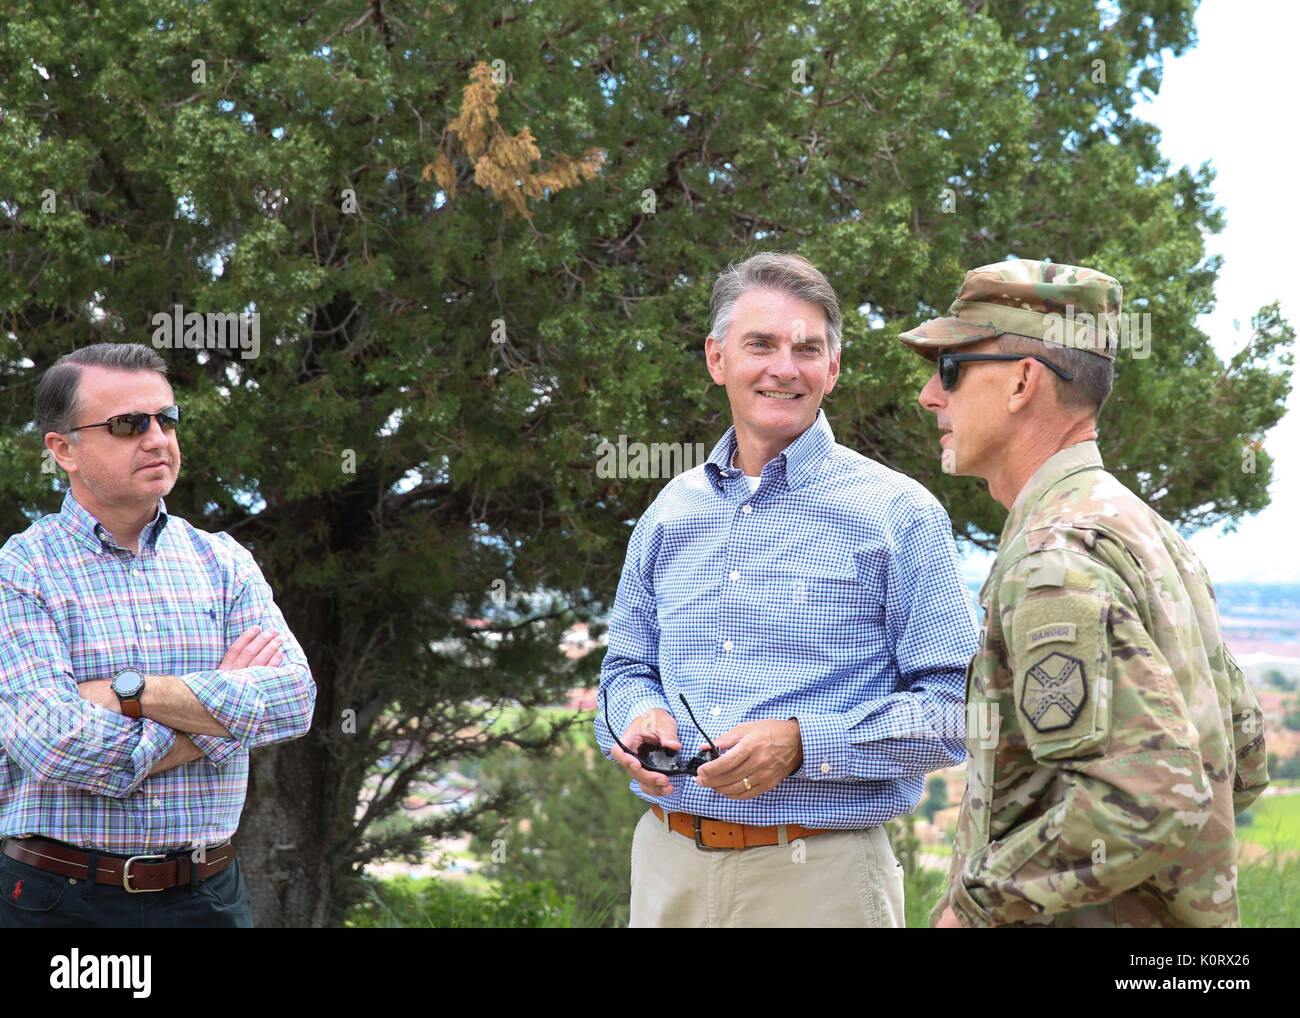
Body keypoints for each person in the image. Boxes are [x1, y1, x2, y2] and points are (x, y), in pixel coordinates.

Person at [595, 252, 978, 928]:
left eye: (808, 348)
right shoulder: (670, 512)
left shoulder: (901, 516)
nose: (784, 367)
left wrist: (806, 743)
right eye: (761, 345)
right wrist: (634, 717)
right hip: (665, 870)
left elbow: (957, 712)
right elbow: (625, 669)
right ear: (717, 359)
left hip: (820, 881)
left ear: (832, 368)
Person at [901, 259, 1269, 927]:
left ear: (1021, 381)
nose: (930, 394)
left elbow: (1154, 799)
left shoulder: (1054, 557)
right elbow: (1241, 762)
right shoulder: (1146, 531)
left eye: (949, 367)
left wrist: (975, 908)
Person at [0, 342, 317, 928]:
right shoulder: (21, 569)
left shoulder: (225, 561)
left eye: (165, 419)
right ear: (63, 449)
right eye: (127, 424)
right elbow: (51, 742)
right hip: (60, 901)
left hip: (211, 898)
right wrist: (222, 719)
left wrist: (130, 693)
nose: (156, 438)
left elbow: (293, 702)